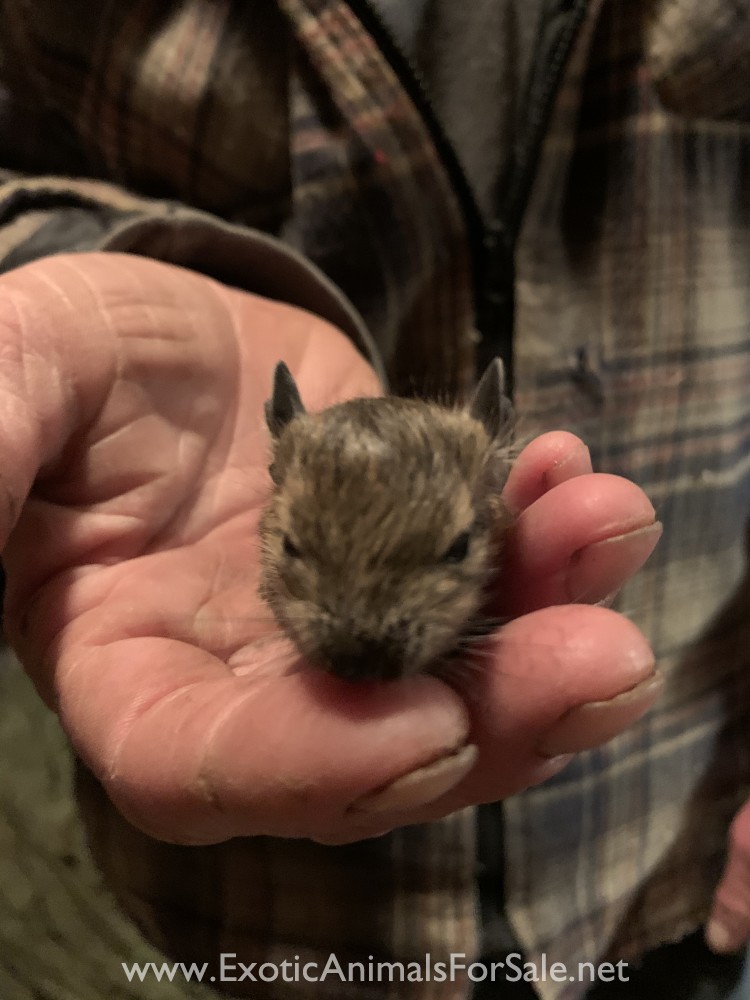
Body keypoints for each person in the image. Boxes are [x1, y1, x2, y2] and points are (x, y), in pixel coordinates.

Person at [0, 1, 749, 998]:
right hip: (270, 908)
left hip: (672, 817)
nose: (359, 636)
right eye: (305, 556)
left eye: (439, 556)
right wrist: (64, 256)